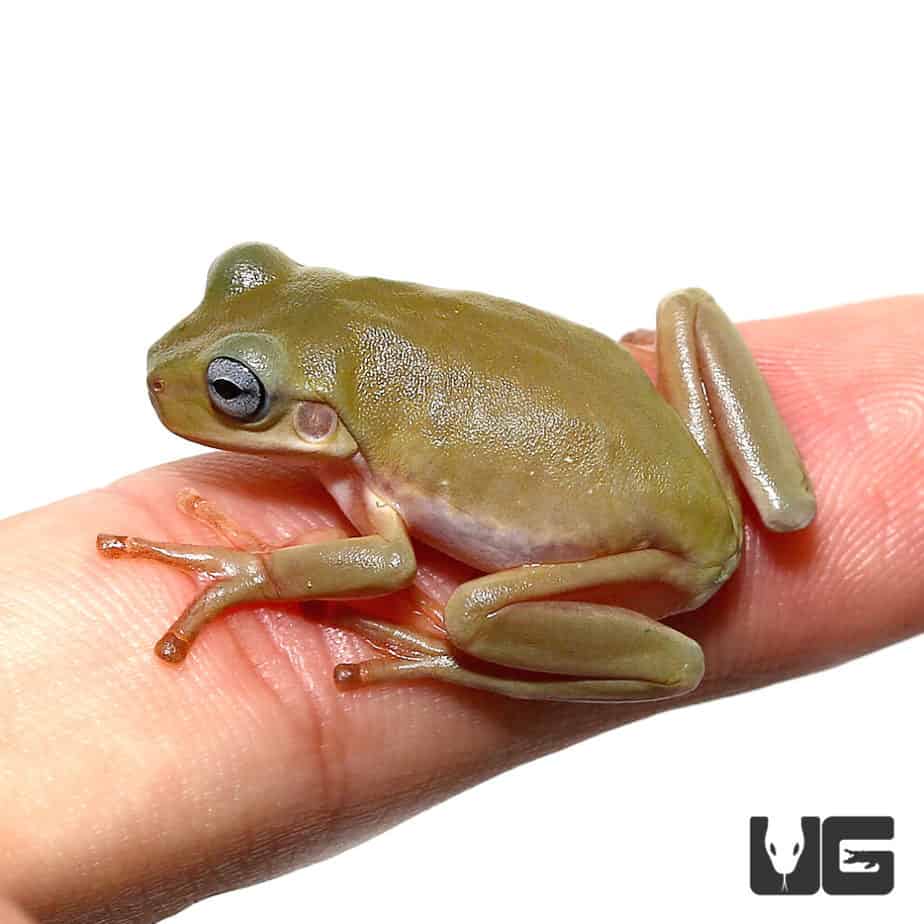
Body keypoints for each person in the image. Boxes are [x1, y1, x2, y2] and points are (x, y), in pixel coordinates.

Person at [1, 296, 921, 923]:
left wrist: (253, 572)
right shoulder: (354, 351)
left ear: (318, 417)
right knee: (680, 310)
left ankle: (463, 659)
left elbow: (384, 559)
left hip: (662, 554)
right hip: (662, 450)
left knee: (471, 616)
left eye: (238, 396)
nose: (206, 395)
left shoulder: (362, 466)